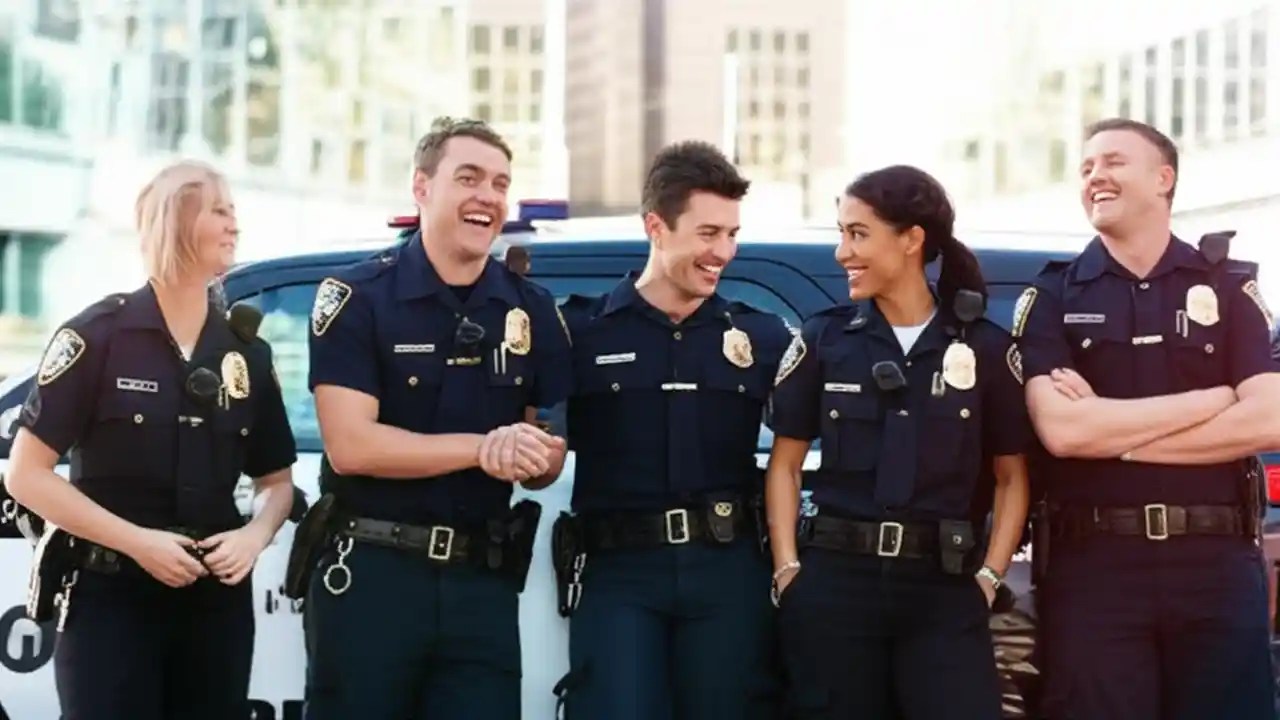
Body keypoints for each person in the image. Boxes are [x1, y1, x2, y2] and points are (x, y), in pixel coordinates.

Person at [3, 159, 297, 720]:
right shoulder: (97, 336)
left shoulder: (246, 355)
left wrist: (254, 537)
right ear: (175, 221)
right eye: (220, 211)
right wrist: (139, 543)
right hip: (111, 602)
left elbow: (277, 483)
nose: (234, 225)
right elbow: (26, 474)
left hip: (214, 607)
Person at [301, 116, 572, 720]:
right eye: (469, 178)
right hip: (373, 577)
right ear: (421, 188)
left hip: (482, 583)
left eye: (501, 184)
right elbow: (351, 445)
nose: (489, 197)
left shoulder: (531, 308)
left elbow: (548, 453)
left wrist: (534, 454)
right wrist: (483, 448)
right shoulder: (358, 297)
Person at [1017, 117, 1280, 719]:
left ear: (1164, 179)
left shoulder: (1230, 286)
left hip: (1214, 565)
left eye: (1112, 162)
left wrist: (1113, 433)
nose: (1094, 177)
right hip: (1095, 570)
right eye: (1085, 168)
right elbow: (1063, 432)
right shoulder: (1054, 295)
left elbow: (1269, 418)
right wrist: (1217, 399)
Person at [765, 165, 1031, 719]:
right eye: (841, 232)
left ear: (911, 240)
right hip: (837, 586)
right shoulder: (825, 339)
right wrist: (789, 571)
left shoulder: (983, 347)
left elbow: (1012, 477)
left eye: (858, 233)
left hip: (944, 591)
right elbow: (785, 465)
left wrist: (988, 578)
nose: (842, 252)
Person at [551, 141, 792, 719]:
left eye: (732, 234)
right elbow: (540, 438)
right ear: (656, 226)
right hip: (620, 575)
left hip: (728, 573)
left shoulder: (763, 339)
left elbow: (814, 444)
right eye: (708, 233)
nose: (724, 252)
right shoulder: (580, 332)